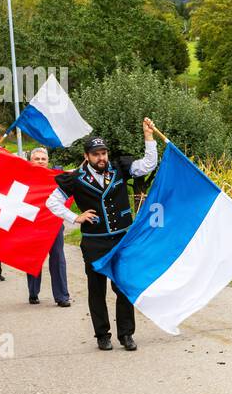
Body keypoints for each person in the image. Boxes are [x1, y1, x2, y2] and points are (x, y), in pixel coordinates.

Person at [47, 120, 159, 351]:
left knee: (124, 287)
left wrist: (148, 136)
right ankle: (102, 335)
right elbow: (52, 201)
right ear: (86, 156)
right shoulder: (76, 178)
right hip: (94, 243)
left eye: (104, 153)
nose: (102, 158)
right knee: (96, 290)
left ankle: (126, 334)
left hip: (121, 240)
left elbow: (148, 165)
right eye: (96, 154)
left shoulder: (119, 167)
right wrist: (74, 217)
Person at [26, 146, 71, 307]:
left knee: (58, 257)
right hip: (32, 223)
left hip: (53, 223)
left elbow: (72, 176)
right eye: (36, 159)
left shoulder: (55, 177)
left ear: (47, 161)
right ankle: (33, 292)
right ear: (31, 161)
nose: (40, 161)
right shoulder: (24, 177)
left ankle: (62, 296)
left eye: (43, 159)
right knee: (34, 257)